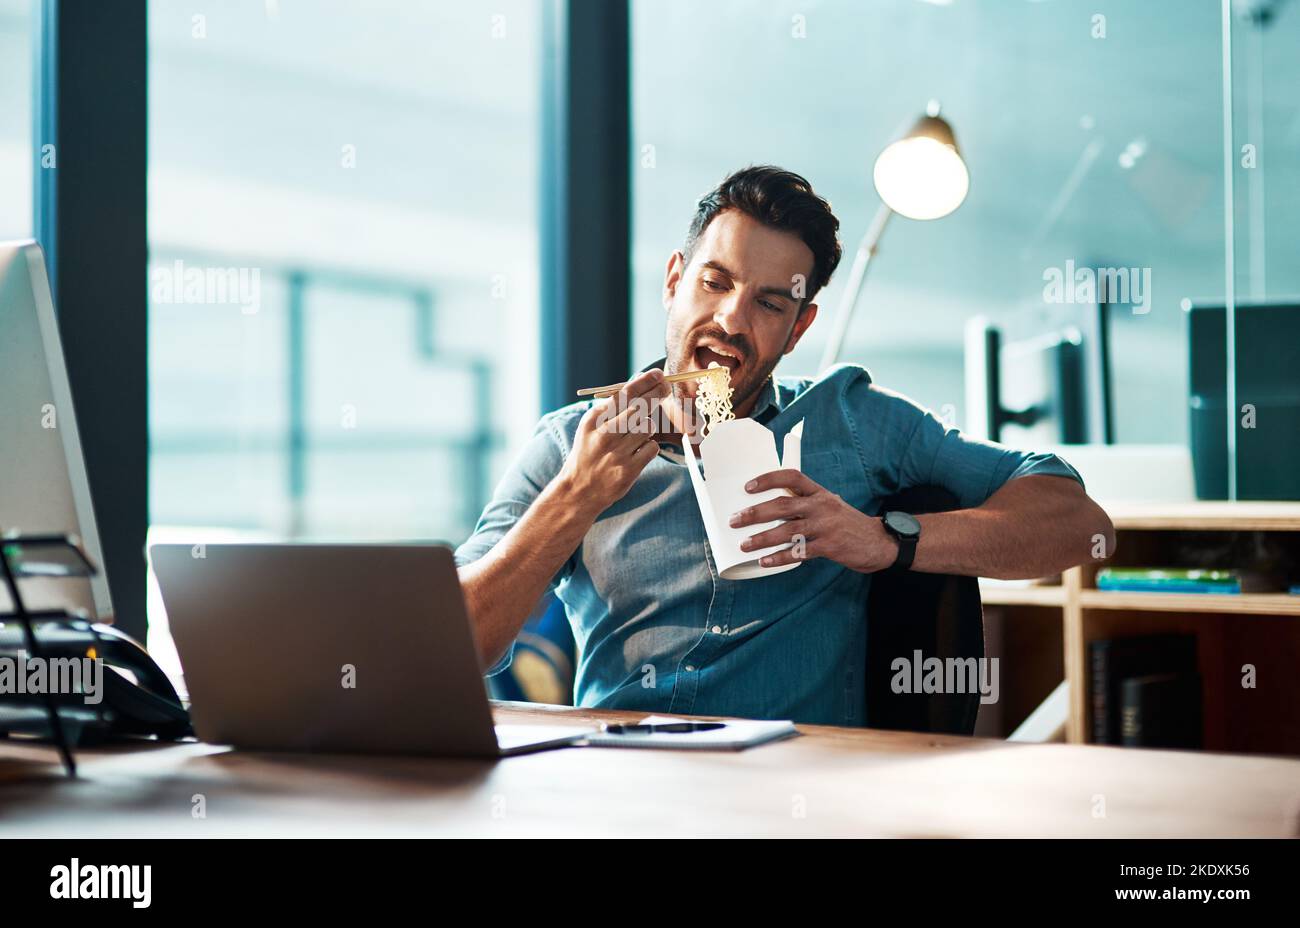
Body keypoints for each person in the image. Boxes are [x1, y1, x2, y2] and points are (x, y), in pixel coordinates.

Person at [455, 165, 1113, 726]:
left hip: (800, 795)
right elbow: (453, 650)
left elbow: (1083, 529)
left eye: (770, 304)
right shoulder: (572, 444)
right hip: (626, 789)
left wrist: (885, 541)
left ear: (799, 328)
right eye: (715, 283)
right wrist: (574, 495)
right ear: (673, 281)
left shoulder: (850, 421)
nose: (732, 320)